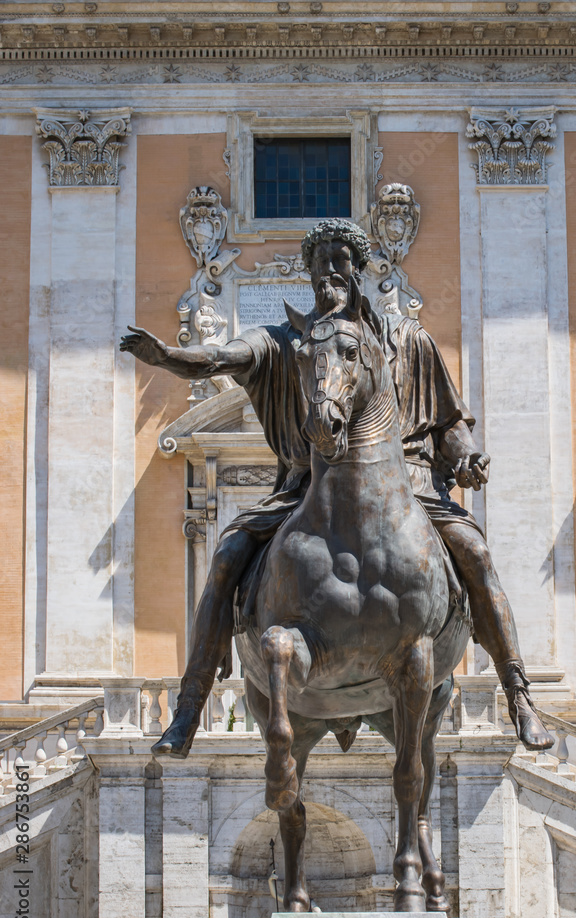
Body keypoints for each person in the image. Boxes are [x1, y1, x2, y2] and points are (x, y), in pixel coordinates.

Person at [120, 218, 553, 757]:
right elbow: (218, 358)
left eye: (340, 258)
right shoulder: (285, 342)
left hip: (409, 484)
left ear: (359, 268)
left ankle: (519, 694)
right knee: (228, 555)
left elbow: (449, 423)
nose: (329, 270)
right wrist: (165, 358)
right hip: (305, 489)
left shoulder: (406, 340)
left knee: (475, 552)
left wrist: (465, 458)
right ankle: (188, 709)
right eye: (319, 261)